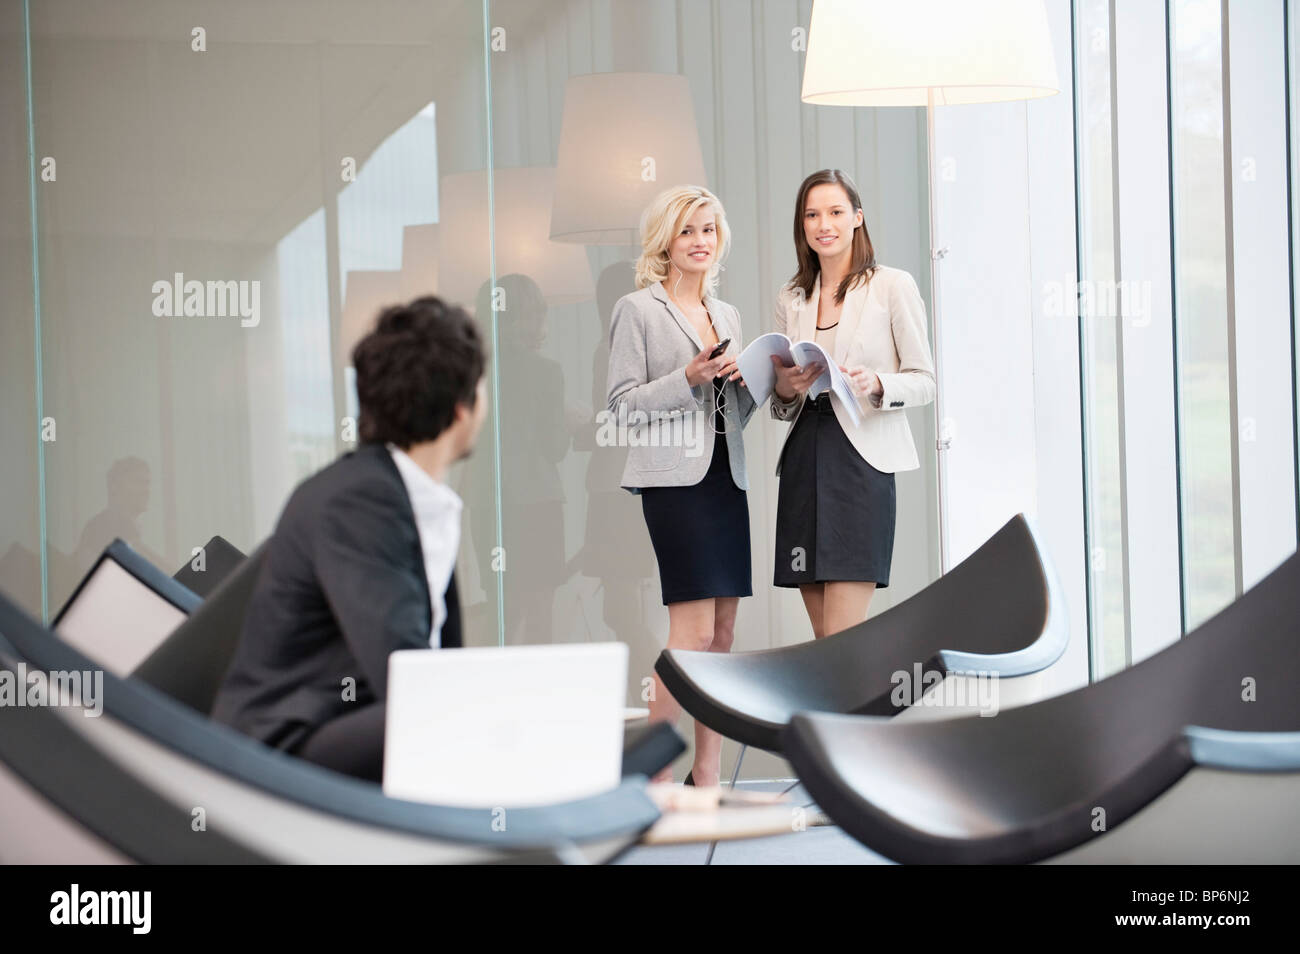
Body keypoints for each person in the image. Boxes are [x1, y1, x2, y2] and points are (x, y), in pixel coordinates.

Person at [211, 296, 488, 782]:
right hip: (281, 750)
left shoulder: (405, 495)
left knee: (473, 711)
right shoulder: (359, 500)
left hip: (339, 728)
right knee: (475, 714)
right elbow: (408, 677)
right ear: (462, 407)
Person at [606, 184, 757, 787]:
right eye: (689, 230)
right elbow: (619, 409)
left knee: (720, 635)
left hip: (726, 476)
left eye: (709, 230)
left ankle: (707, 777)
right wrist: (688, 376)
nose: (700, 242)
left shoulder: (729, 316)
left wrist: (753, 385)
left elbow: (733, 415)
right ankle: (653, 778)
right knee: (690, 632)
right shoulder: (638, 309)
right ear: (666, 240)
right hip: (675, 485)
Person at [769, 169, 935, 638]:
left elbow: (925, 381)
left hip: (861, 460)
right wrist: (786, 386)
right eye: (812, 214)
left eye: (836, 212)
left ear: (857, 218)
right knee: (825, 640)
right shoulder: (792, 296)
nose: (825, 224)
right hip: (806, 453)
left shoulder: (892, 285)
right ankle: (843, 711)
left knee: (844, 638)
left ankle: (855, 711)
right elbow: (780, 403)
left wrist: (877, 383)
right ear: (802, 226)